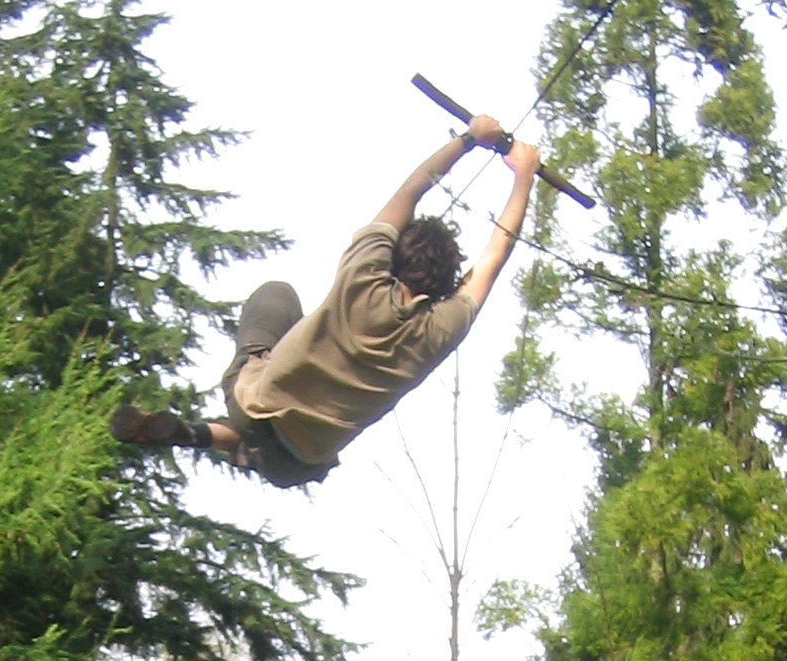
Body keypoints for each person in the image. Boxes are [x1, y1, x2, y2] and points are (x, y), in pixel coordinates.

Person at [110, 122, 542, 487]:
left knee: (278, 296)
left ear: (393, 257)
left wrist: (468, 139)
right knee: (260, 437)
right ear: (446, 286)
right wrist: (524, 175)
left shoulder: (364, 274)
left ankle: (213, 426)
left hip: (252, 404)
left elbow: (412, 189)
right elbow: (495, 254)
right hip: (297, 464)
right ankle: (194, 434)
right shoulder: (440, 331)